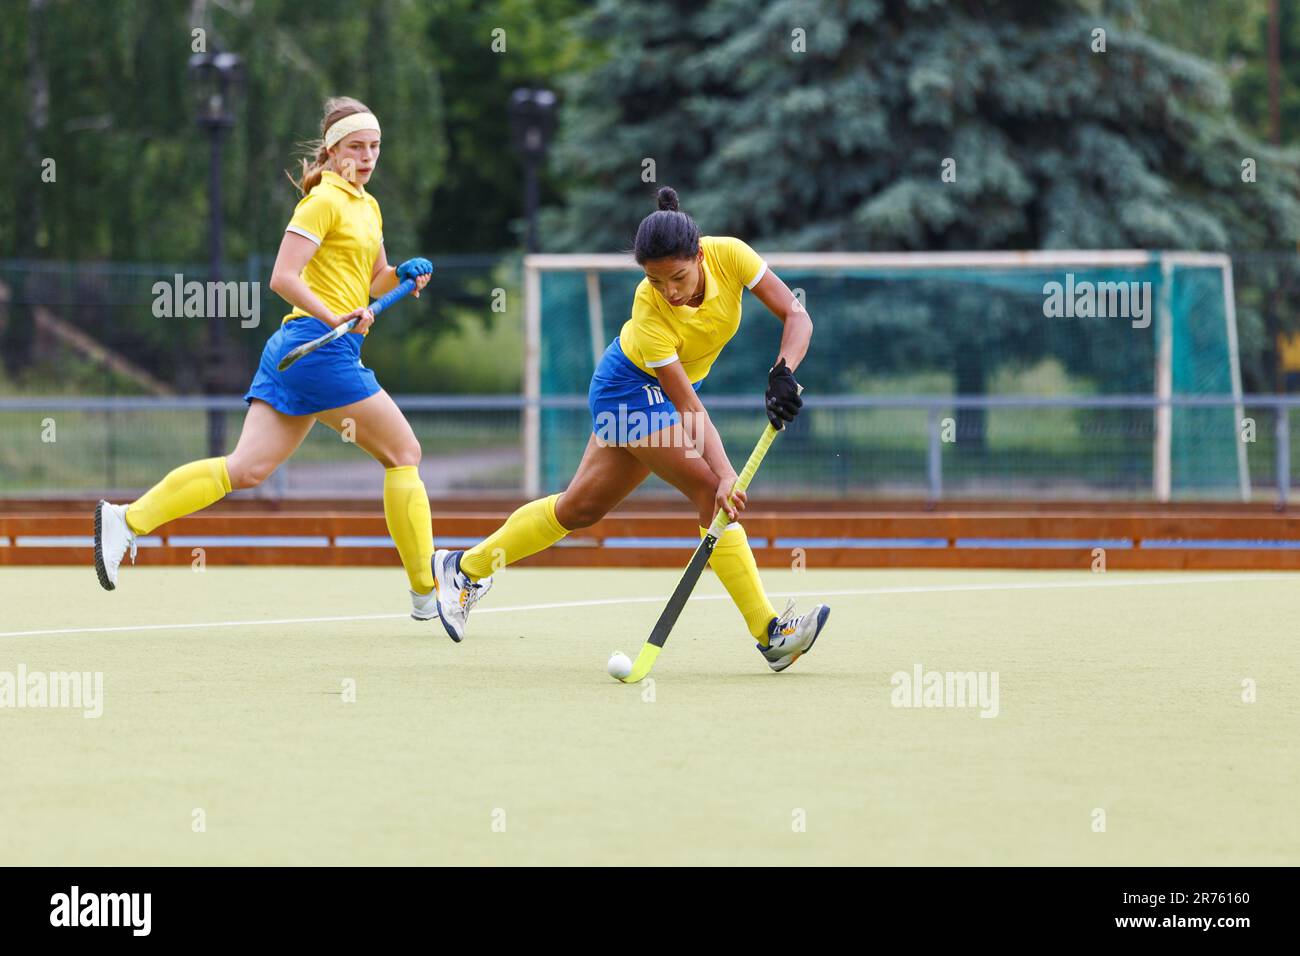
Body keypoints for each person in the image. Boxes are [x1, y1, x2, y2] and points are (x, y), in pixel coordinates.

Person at [430, 186, 830, 672]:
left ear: (699, 255)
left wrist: (783, 371)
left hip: (657, 394)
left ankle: (462, 568)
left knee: (578, 509)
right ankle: (770, 633)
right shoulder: (649, 307)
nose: (671, 292)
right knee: (710, 491)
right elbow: (685, 403)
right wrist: (726, 472)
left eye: (678, 277)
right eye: (656, 281)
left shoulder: (731, 256)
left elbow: (795, 314)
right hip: (628, 389)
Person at [94, 96, 442, 625]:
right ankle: (427, 592)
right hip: (316, 347)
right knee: (404, 453)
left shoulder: (367, 206)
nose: (367, 156)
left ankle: (125, 520)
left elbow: (371, 281)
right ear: (332, 149)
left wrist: (401, 274)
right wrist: (335, 319)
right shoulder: (321, 202)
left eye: (374, 146)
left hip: (302, 352)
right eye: (356, 146)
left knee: (247, 469)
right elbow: (283, 278)